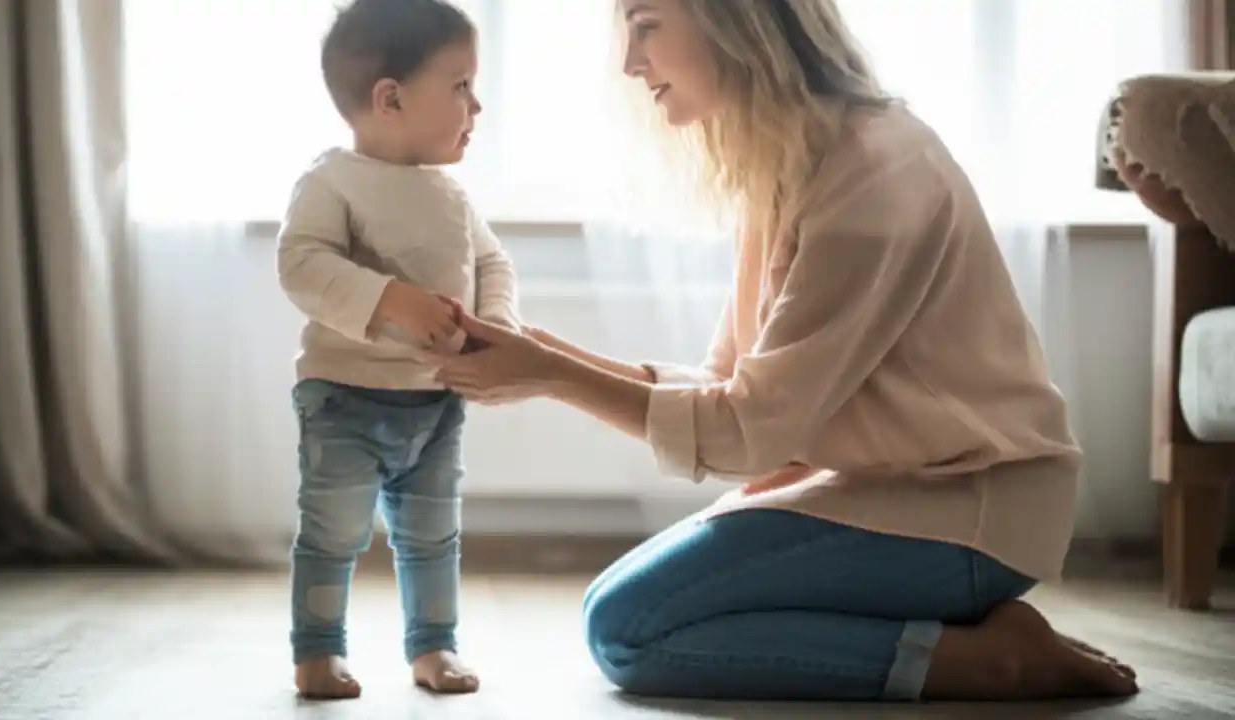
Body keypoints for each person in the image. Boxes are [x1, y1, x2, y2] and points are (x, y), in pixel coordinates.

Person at [431, 0, 1139, 702]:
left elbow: (749, 432)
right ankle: (948, 630)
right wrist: (544, 355)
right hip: (896, 490)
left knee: (626, 630)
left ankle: (982, 661)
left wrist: (551, 375)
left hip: (969, 509)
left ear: (737, 20)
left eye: (646, 26)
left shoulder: (873, 174)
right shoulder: (798, 159)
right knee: (618, 609)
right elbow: (730, 384)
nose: (629, 62)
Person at [276, 0, 518, 699]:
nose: (477, 106)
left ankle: (433, 647)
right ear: (391, 98)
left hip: (436, 404)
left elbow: (494, 262)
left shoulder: (451, 195)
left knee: (433, 536)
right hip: (344, 398)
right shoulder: (332, 182)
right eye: (461, 86)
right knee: (334, 532)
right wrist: (389, 300)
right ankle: (317, 652)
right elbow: (302, 264)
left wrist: (495, 323)